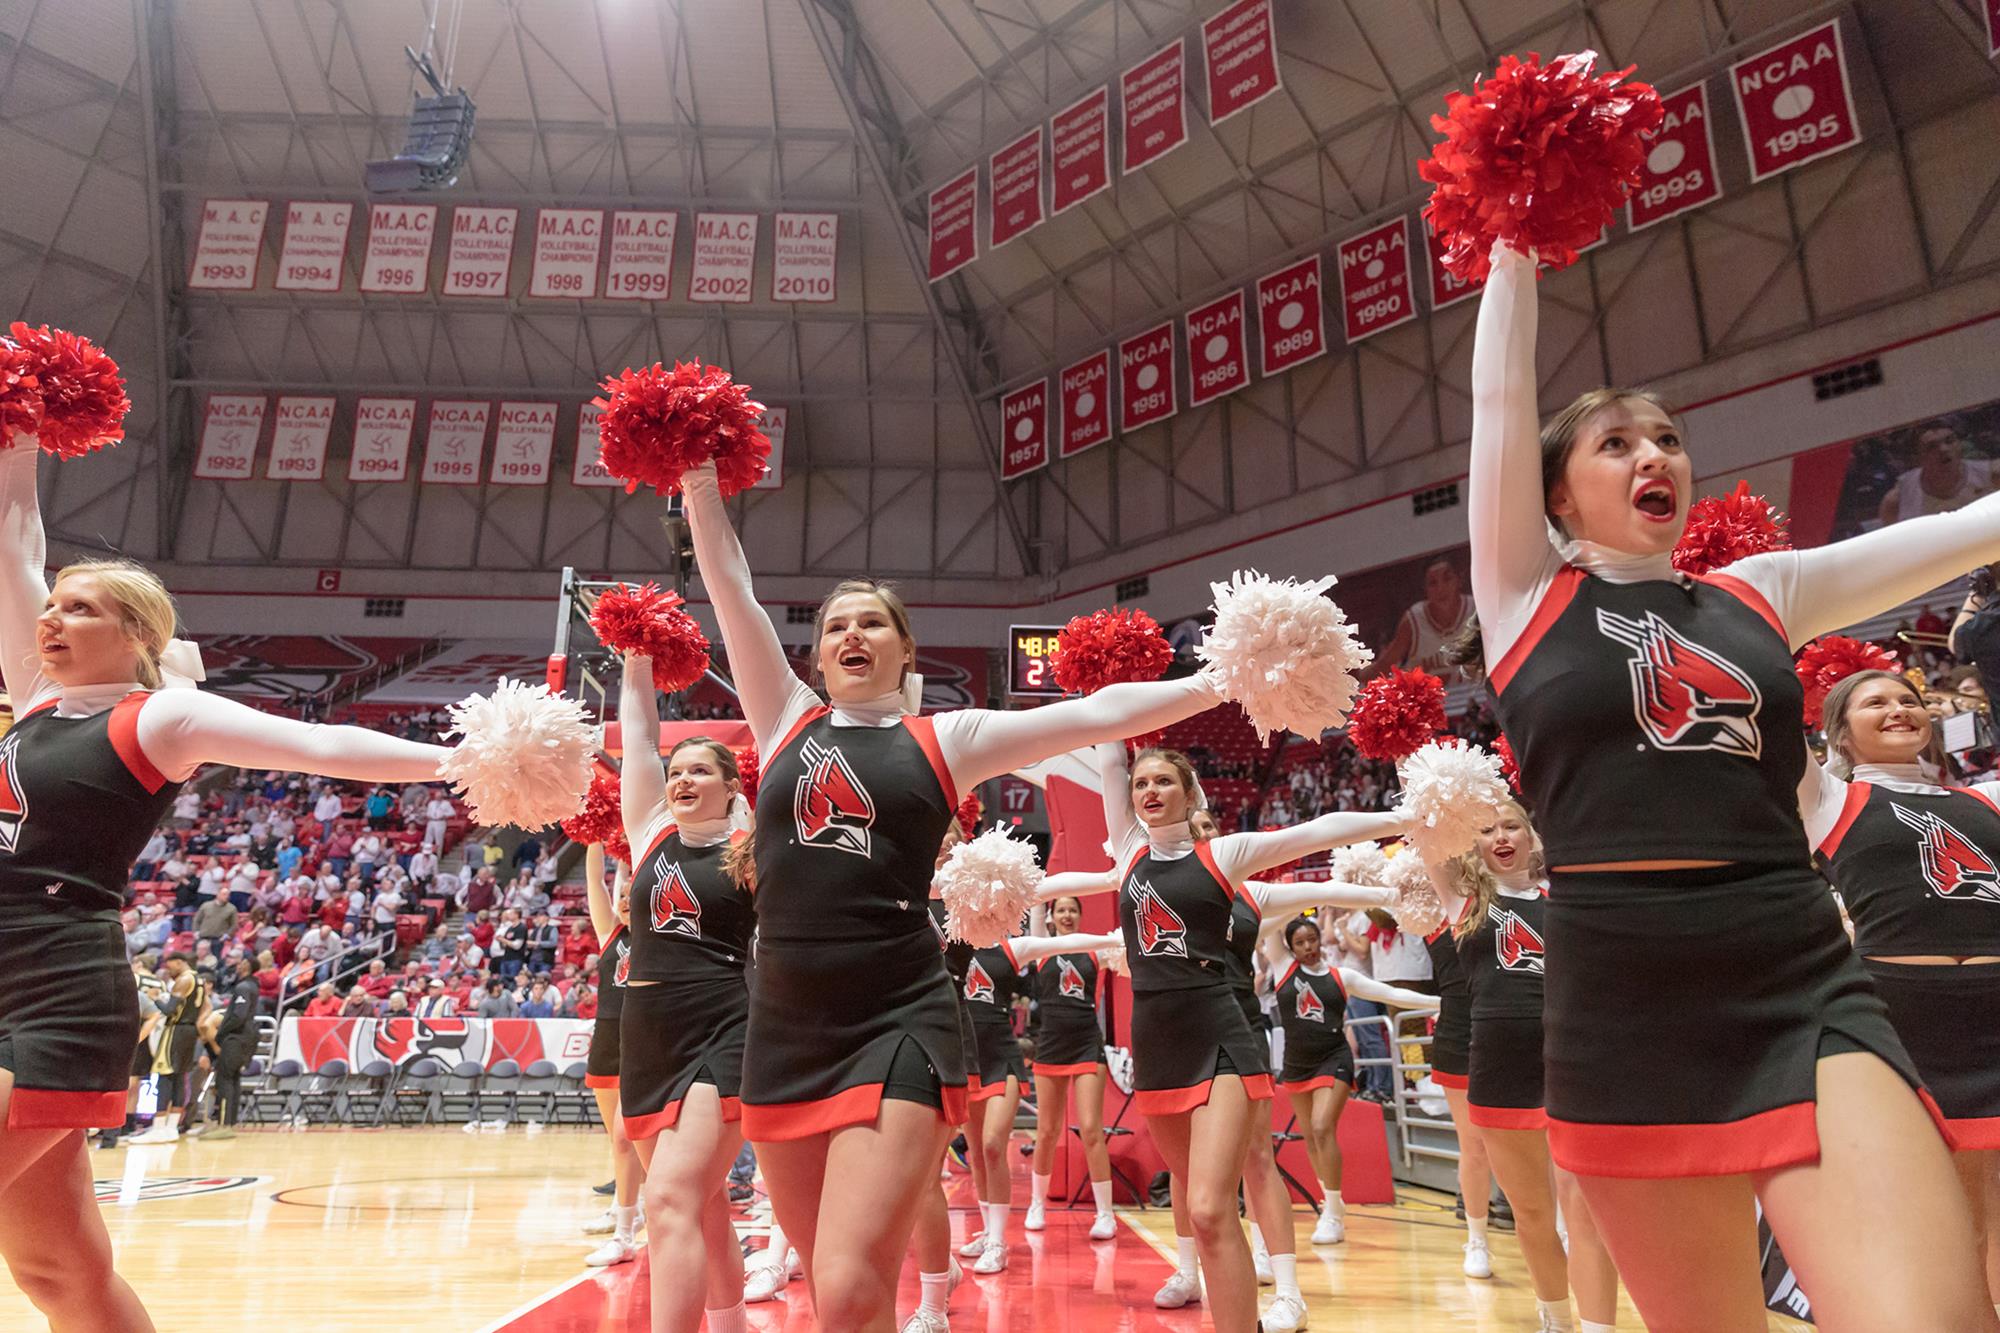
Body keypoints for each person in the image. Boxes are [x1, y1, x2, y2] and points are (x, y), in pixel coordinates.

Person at [1468, 235, 2000, 1329]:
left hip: (1795, 970)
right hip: (1621, 998)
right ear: (1555, 495)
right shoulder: (1522, 595)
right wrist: (1514, 244)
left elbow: (1957, 533)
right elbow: (1496, 402)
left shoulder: (1759, 591)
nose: (1652, 455)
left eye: (1667, 438)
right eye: (1615, 443)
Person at [683, 457, 1223, 1331]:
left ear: (904, 649)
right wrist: (700, 481)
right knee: (836, 1292)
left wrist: (1222, 680)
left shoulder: (948, 737)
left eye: (873, 623)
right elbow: (730, 588)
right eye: (836, 626)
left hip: (897, 1021)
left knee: (848, 1283)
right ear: (817, 655)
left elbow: (1097, 714)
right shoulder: (783, 718)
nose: (852, 635)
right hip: (781, 1029)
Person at [1090, 744, 1408, 1332]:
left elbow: (1315, 833)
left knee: (1211, 1207)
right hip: (1157, 1043)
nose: (1150, 791)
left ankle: (1277, 1297)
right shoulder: (1130, 852)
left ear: (1191, 794)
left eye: (1164, 782)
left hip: (1220, 1033)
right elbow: (1110, 748)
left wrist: (1407, 818)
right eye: (1141, 784)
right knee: (1199, 1210)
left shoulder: (1222, 855)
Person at [1806, 669, 2000, 1299]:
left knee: (1992, 1196)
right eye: (1876, 703)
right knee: (1933, 1203)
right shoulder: (1828, 800)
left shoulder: (1987, 798)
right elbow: (1764, 717)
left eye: (1909, 700)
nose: (1899, 709)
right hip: (1900, 1010)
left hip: (1994, 1010)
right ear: (1839, 733)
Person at [1419, 805, 1620, 1333]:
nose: (1501, 836)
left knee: (1584, 1208)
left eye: (1511, 825)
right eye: (1487, 830)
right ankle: (1556, 1318)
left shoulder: (1565, 896)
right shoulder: (1462, 901)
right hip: (1498, 1066)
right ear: (1473, 845)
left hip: (1572, 1060)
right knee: (1531, 1212)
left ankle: (1598, 1327)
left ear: (1533, 836)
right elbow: (1422, 824)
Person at [615, 712, 756, 1333]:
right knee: (704, 1202)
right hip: (647, 1031)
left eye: (700, 770)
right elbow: (640, 739)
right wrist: (639, 662)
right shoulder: (649, 833)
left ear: (732, 787)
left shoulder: (752, 851)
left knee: (670, 1197)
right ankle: (731, 1325)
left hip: (723, 1024)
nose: (682, 780)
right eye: (676, 772)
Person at [577, 843, 644, 1268]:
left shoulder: (662, 938)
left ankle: (627, 1223)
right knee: (617, 1141)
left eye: (631, 895)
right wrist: (595, 838)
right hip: (607, 1042)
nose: (623, 902)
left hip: (643, 1041)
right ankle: (625, 1206)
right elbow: (594, 883)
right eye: (621, 896)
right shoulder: (610, 935)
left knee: (628, 1136)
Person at [1371, 556, 1477, 681]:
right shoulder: (1413, 620)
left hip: (1475, 691)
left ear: (1459, 580)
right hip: (1425, 693)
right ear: (1425, 590)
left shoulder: (1476, 609)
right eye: (1432, 583)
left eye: (1447, 579)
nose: (1441, 588)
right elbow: (1384, 665)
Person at [1880, 423, 1995, 527]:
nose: (1944, 449)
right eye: (1931, 447)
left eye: (1949, 441)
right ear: (1917, 458)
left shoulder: (1993, 476)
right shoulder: (1897, 501)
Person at [206, 957, 259, 1141]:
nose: (238, 965)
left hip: (237, 1038)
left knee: (225, 1080)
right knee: (234, 1079)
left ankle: (224, 1124)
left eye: (241, 962)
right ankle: (229, 1123)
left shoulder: (243, 987)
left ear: (247, 966)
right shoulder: (251, 986)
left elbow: (238, 1015)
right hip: (245, 1037)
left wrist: (222, 1031)